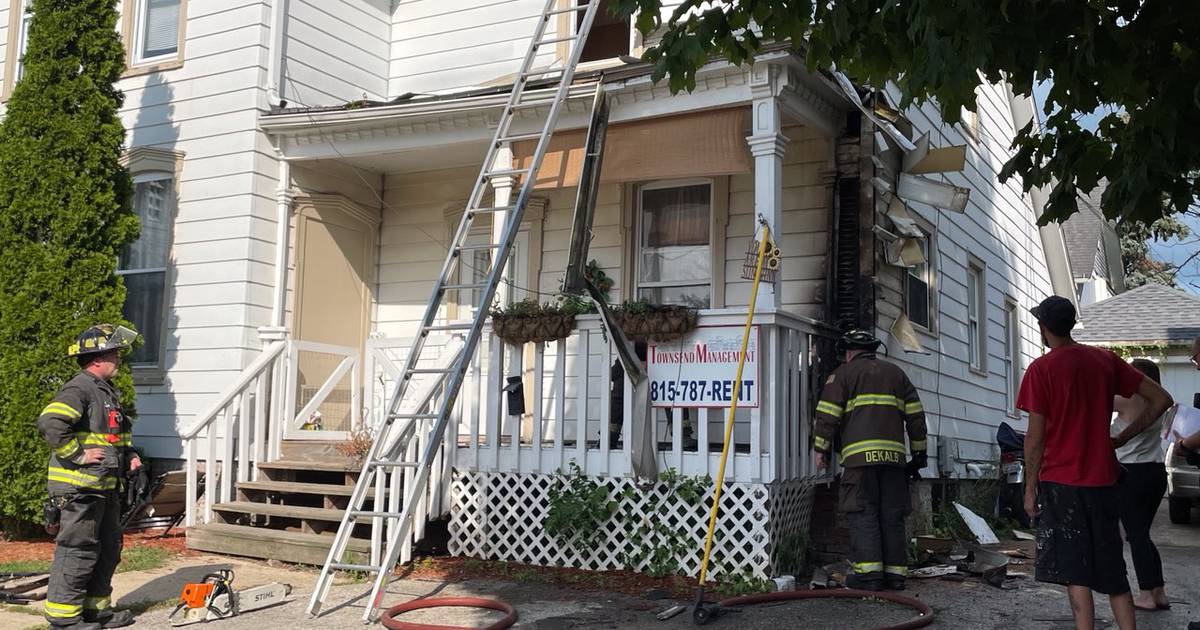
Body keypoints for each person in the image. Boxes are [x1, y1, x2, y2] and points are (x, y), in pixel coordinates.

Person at [1018, 296, 1173, 630]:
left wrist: (1030, 489)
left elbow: (1035, 437)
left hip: (1062, 483)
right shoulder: (1105, 361)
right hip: (1104, 480)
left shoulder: (1041, 370)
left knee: (1076, 570)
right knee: (1113, 568)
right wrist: (1124, 438)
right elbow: (1161, 399)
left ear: (1044, 328)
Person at [38, 325, 141, 630]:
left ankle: (96, 611)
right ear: (96, 358)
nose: (118, 358)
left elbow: (111, 438)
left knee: (108, 547)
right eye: (114, 353)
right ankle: (64, 619)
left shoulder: (106, 392)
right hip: (79, 489)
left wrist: (130, 454)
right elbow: (50, 422)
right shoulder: (80, 388)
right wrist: (79, 455)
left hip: (102, 488)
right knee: (78, 550)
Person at [813, 329, 927, 591]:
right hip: (894, 463)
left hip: (859, 464)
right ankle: (896, 575)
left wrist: (821, 448)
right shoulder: (896, 374)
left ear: (849, 352)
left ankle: (870, 575)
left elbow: (827, 414)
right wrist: (919, 454)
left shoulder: (842, 375)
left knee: (863, 514)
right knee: (892, 515)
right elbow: (916, 418)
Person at [1111, 359, 1170, 611]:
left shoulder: (1127, 399)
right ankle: (1159, 592)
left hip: (1131, 473)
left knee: (1136, 536)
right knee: (1143, 534)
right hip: (1156, 472)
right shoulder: (1159, 404)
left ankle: (1146, 594)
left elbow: (1094, 394)